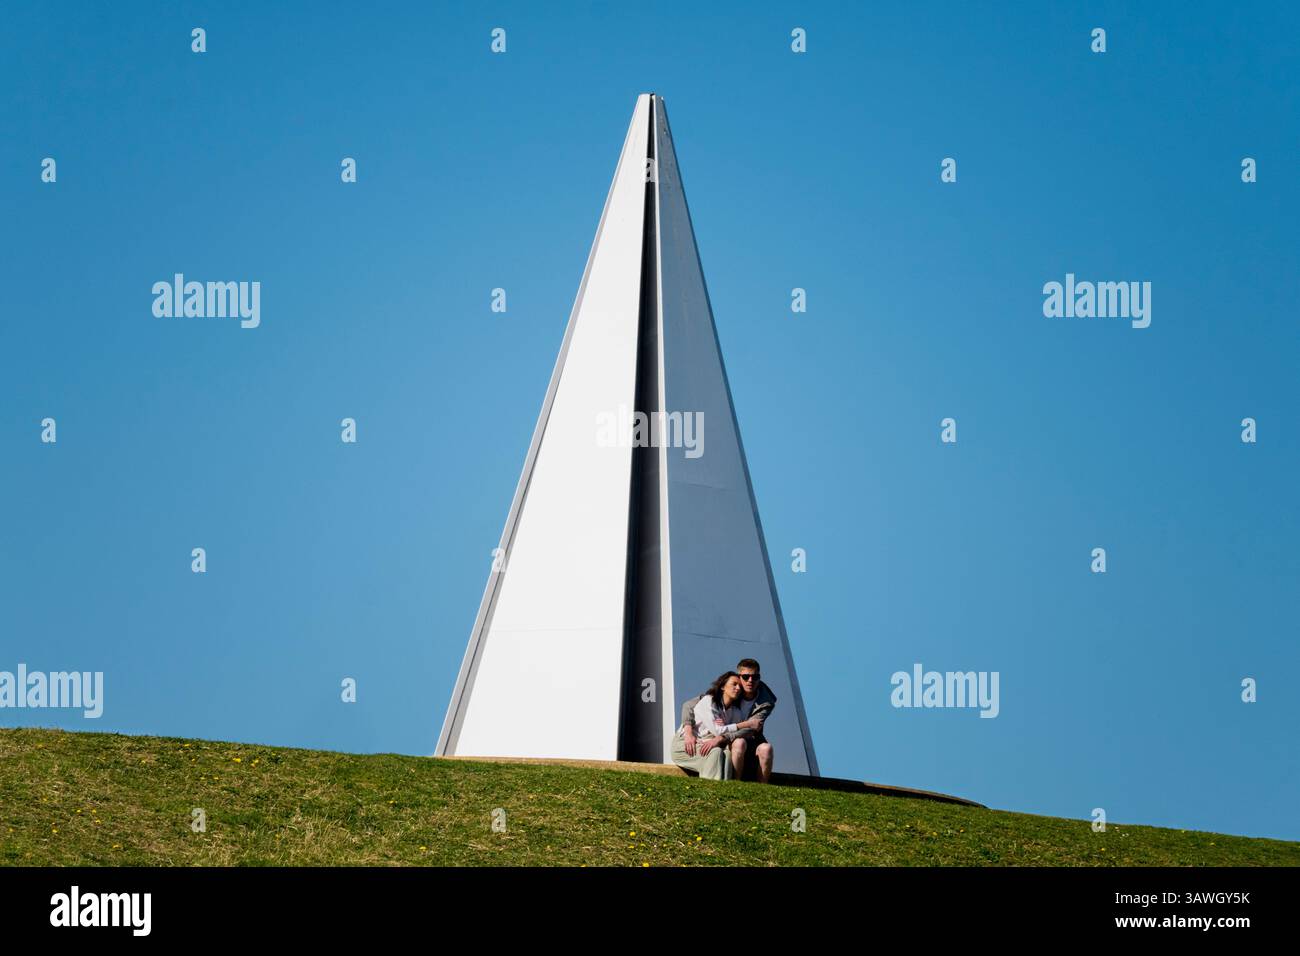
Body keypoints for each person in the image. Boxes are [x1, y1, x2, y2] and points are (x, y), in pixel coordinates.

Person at [679, 658, 777, 782]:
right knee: (739, 743)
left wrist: (722, 736)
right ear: (739, 676)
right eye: (746, 677)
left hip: (743, 737)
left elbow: (751, 730)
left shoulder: (766, 701)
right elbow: (689, 705)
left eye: (755, 677)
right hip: (730, 739)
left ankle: (763, 789)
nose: (750, 680)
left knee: (766, 749)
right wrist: (688, 731)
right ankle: (735, 783)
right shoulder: (733, 689)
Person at [670, 672, 747, 780]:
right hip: (687, 744)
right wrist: (741, 725)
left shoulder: (736, 712)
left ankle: (727, 790)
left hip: (709, 745)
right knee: (715, 752)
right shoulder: (709, 701)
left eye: (740, 686)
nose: (738, 688)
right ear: (722, 687)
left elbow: (735, 734)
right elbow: (718, 731)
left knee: (727, 754)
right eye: (734, 684)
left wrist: (727, 729)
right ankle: (710, 791)